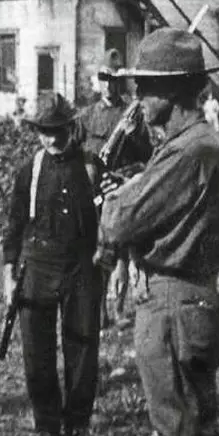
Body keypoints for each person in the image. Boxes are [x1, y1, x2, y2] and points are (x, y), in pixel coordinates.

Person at [99, 28, 219, 436]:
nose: (138, 98)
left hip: (172, 305)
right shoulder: (200, 146)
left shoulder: (187, 152)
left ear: (175, 92)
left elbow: (118, 224)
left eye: (147, 87)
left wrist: (120, 199)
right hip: (194, 301)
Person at [1, 93, 101, 436]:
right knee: (37, 349)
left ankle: (77, 421)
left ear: (70, 128)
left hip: (81, 267)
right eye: (45, 131)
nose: (52, 139)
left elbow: (109, 220)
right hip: (38, 267)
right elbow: (14, 225)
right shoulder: (30, 170)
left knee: (83, 345)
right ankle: (46, 422)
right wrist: (9, 273)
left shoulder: (90, 167)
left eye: (58, 130)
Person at [77, 49, 153, 325]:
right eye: (104, 78)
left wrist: (133, 138)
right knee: (98, 252)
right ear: (97, 81)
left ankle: (119, 310)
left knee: (121, 252)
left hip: (121, 190)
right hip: (94, 190)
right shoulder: (85, 117)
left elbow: (147, 155)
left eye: (113, 79)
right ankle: (100, 312)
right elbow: (76, 153)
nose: (108, 84)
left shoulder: (131, 115)